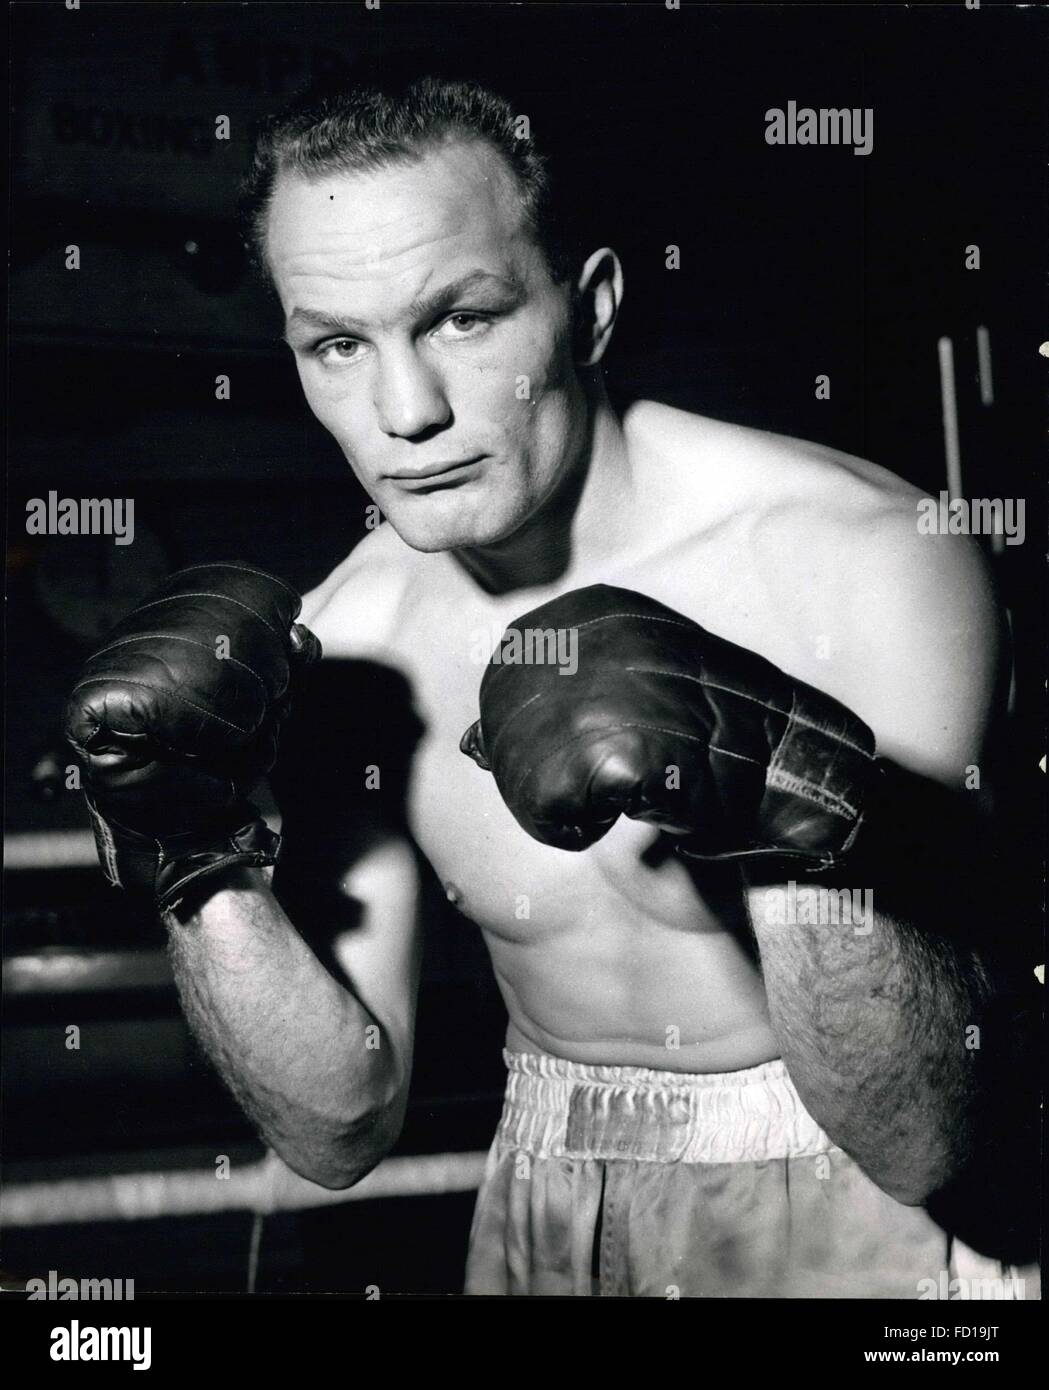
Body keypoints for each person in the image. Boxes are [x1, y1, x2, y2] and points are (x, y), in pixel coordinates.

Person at [65, 75, 1037, 1297]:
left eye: (462, 318)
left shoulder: (862, 558)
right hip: (553, 1200)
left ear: (589, 307)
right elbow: (336, 1129)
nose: (405, 412)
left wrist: (785, 816)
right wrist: (200, 864)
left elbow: (919, 1140)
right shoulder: (351, 634)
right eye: (337, 345)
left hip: (869, 1213)